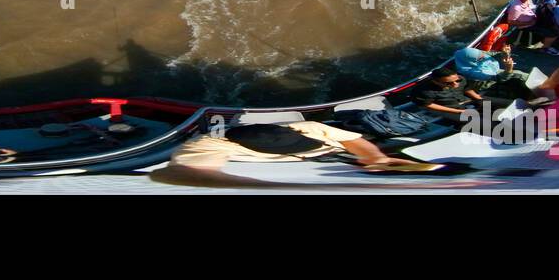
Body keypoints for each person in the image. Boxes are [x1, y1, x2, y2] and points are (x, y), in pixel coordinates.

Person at [156, 120, 438, 184]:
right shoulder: (208, 144)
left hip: (334, 158)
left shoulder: (309, 129)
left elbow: (354, 140)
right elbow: (193, 173)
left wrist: (376, 158)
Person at [409, 67, 515, 118]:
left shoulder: (460, 78)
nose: (455, 84)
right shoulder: (423, 91)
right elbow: (428, 105)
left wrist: (479, 99)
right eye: (449, 83)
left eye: (457, 80)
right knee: (489, 122)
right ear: (435, 81)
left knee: (511, 103)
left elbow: (466, 89)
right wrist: (459, 112)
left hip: (467, 101)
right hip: (449, 108)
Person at [452, 45, 534, 100]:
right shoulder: (470, 72)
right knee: (516, 81)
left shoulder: (478, 55)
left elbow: (492, 54)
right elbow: (501, 79)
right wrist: (508, 69)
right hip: (488, 83)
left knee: (520, 75)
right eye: (480, 59)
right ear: (471, 61)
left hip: (497, 72)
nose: (484, 58)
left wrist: (505, 54)